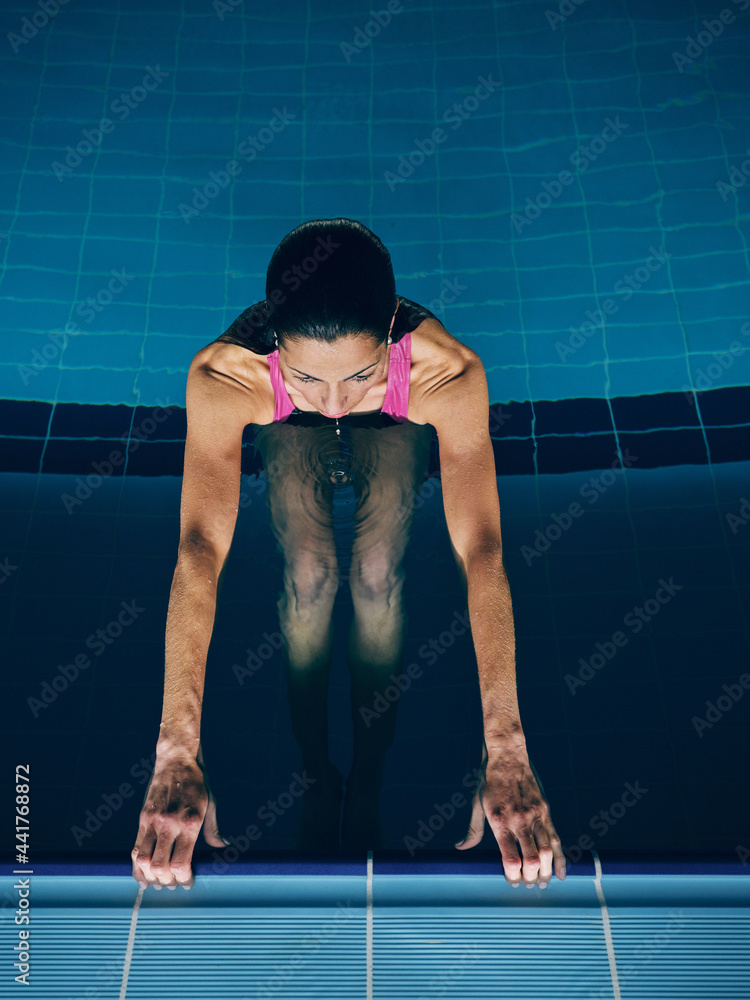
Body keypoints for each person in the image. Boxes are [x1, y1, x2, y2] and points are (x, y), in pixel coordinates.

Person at [131, 217, 566, 892]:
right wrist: (175, 751)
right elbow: (198, 549)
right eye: (310, 377)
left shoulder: (445, 375)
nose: (335, 402)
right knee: (309, 580)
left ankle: (368, 772)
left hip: (394, 419)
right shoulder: (228, 376)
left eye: (360, 374)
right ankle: (314, 765)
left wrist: (506, 745)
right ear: (276, 344)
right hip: (285, 421)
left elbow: (480, 548)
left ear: (391, 331)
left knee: (374, 578)